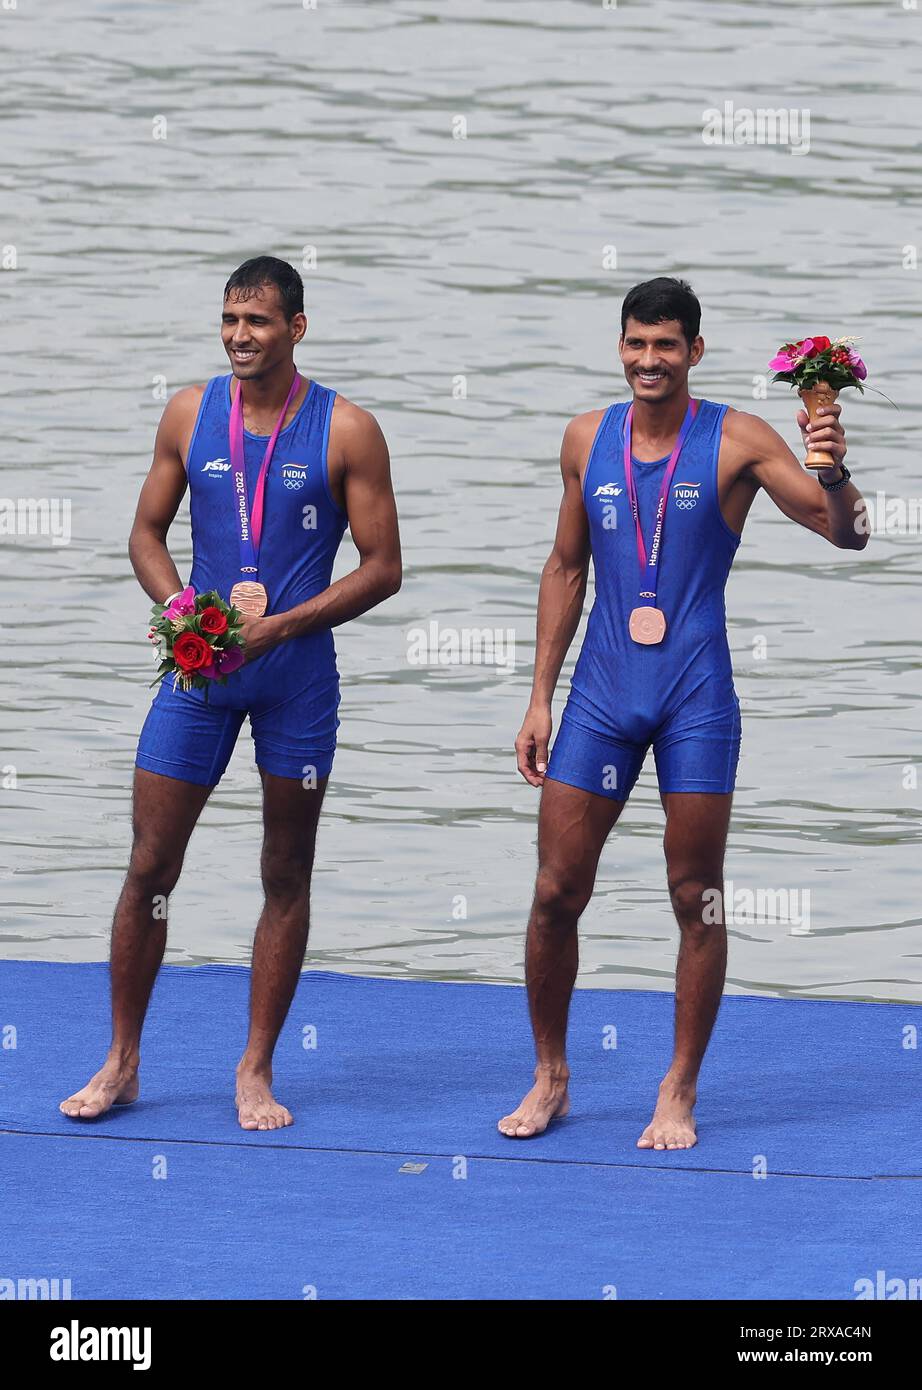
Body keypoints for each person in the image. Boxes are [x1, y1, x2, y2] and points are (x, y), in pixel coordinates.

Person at [499, 277, 868, 1149]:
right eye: (636, 344)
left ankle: (678, 1087)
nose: (649, 360)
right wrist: (539, 695)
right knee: (555, 890)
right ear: (620, 348)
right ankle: (551, 1073)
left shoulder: (736, 439)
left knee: (695, 896)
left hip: (695, 693)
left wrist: (837, 466)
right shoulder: (585, 439)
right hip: (598, 693)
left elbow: (845, 533)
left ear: (694, 352)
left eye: (666, 345)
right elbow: (563, 568)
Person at [60, 256, 401, 1131]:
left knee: (285, 870)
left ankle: (254, 1070)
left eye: (258, 321)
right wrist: (182, 612)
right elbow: (143, 531)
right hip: (199, 674)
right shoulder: (189, 412)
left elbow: (384, 569)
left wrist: (281, 627)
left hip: (296, 680)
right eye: (229, 320)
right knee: (149, 865)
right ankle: (122, 1062)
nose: (241, 336)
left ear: (296, 327)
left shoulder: (347, 430)